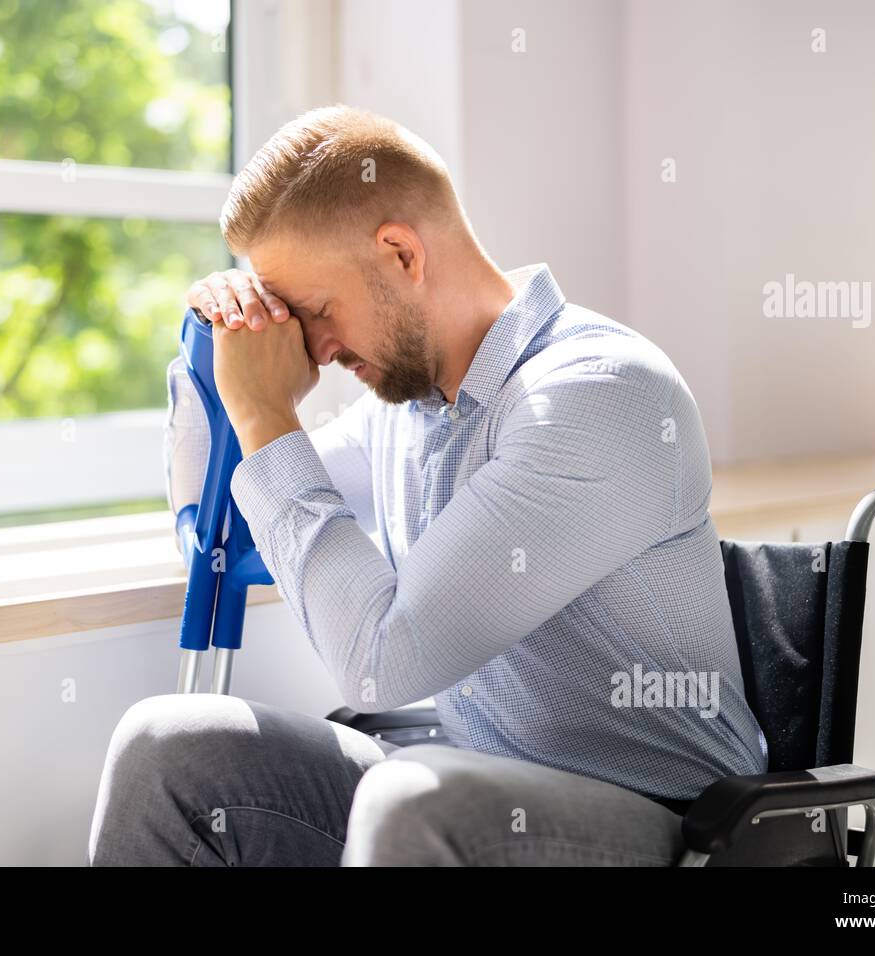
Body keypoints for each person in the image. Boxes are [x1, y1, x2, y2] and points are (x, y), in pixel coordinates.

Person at [88, 104, 767, 866]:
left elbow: (384, 663)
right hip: (464, 789)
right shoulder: (410, 412)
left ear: (401, 254)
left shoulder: (596, 395)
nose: (308, 345)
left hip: (667, 828)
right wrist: (211, 357)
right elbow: (231, 527)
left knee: (412, 798)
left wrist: (265, 411)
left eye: (310, 310)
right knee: (168, 749)